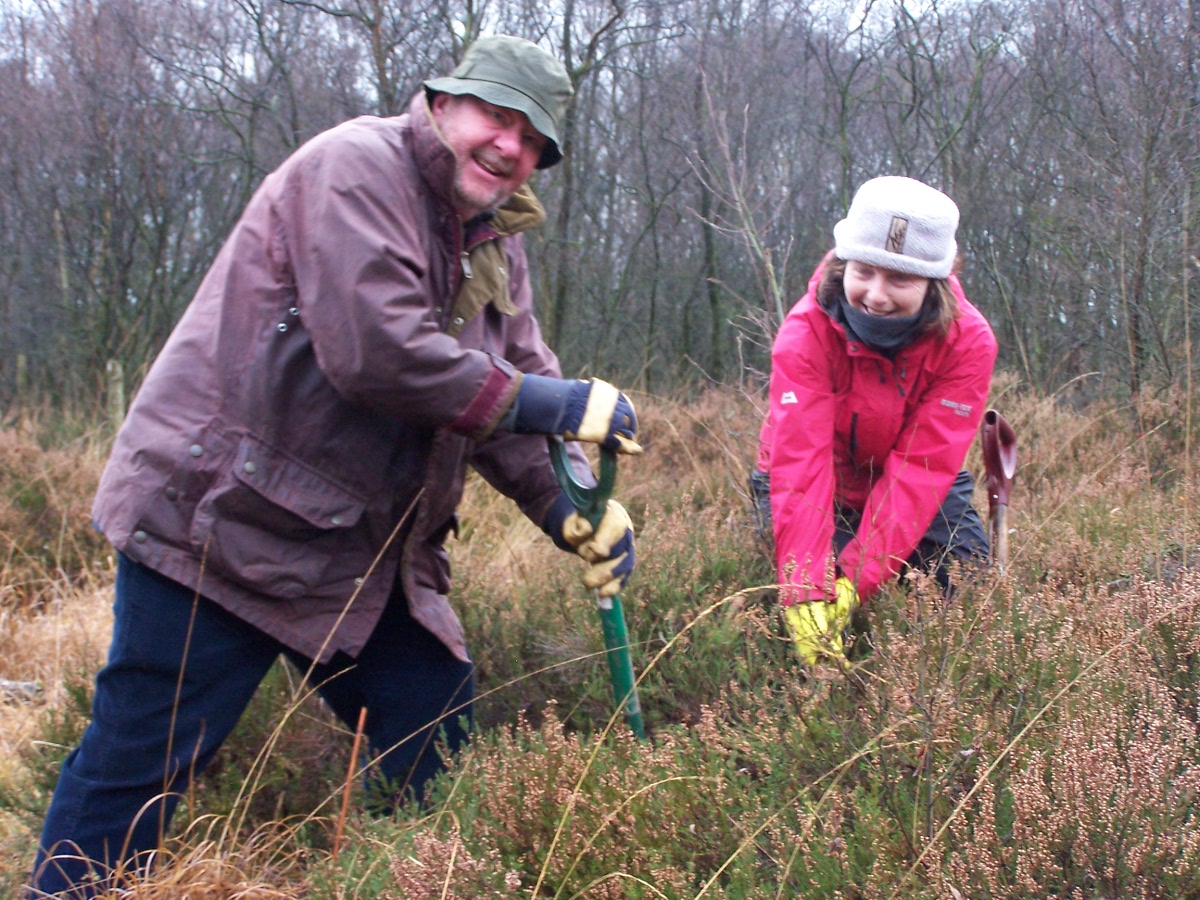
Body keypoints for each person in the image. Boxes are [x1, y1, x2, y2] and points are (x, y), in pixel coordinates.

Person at [28, 35, 641, 898]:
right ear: (442, 104)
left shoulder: (495, 239)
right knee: (140, 764)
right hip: (217, 523)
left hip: (358, 549)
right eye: (497, 117)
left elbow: (518, 384)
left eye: (533, 138)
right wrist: (557, 405)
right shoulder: (354, 168)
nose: (512, 146)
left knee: (443, 752)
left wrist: (571, 508)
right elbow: (380, 351)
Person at [750, 176, 997, 668]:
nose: (876, 296)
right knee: (807, 591)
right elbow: (801, 465)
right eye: (863, 271)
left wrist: (857, 577)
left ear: (935, 282)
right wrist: (806, 590)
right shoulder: (806, 332)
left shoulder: (969, 343)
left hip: (913, 476)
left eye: (900, 279)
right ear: (844, 263)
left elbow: (921, 472)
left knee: (967, 584)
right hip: (820, 479)